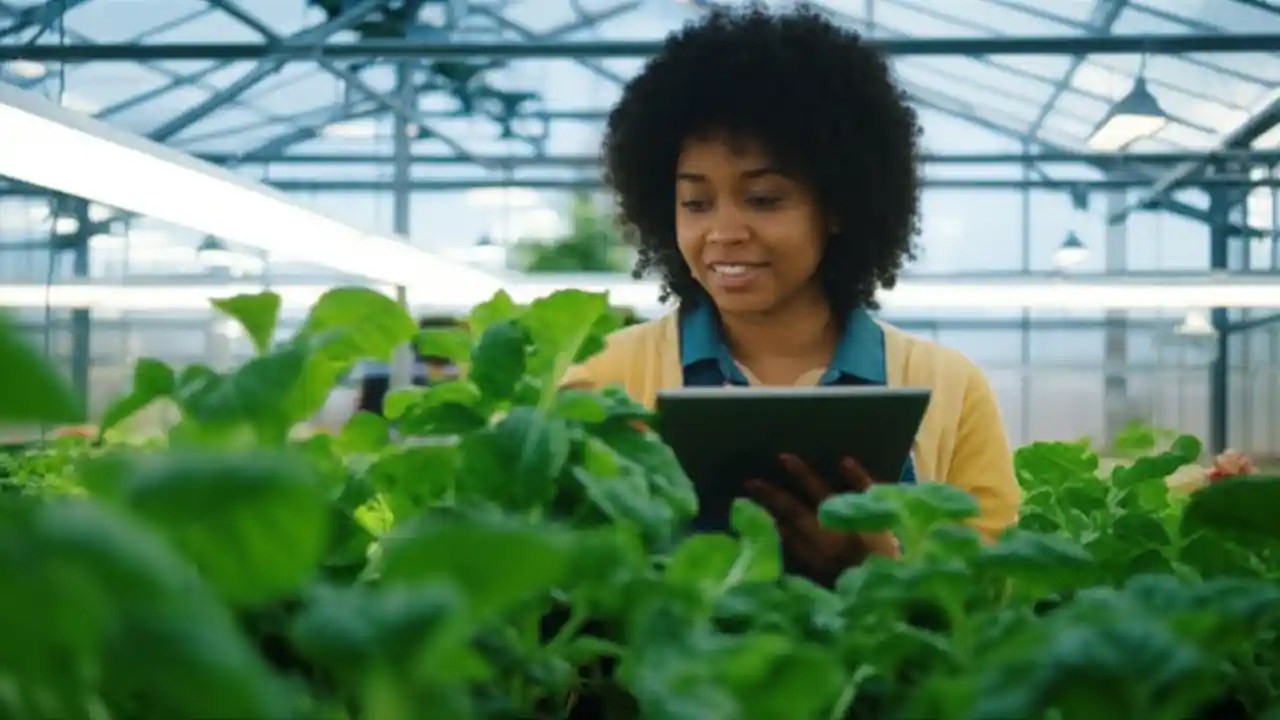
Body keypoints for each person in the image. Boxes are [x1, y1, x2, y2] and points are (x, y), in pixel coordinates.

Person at [562, 4, 1020, 585]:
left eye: (764, 199)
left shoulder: (950, 389)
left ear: (837, 206)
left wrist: (879, 569)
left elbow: (994, 596)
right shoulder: (603, 380)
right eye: (696, 203)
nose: (723, 232)